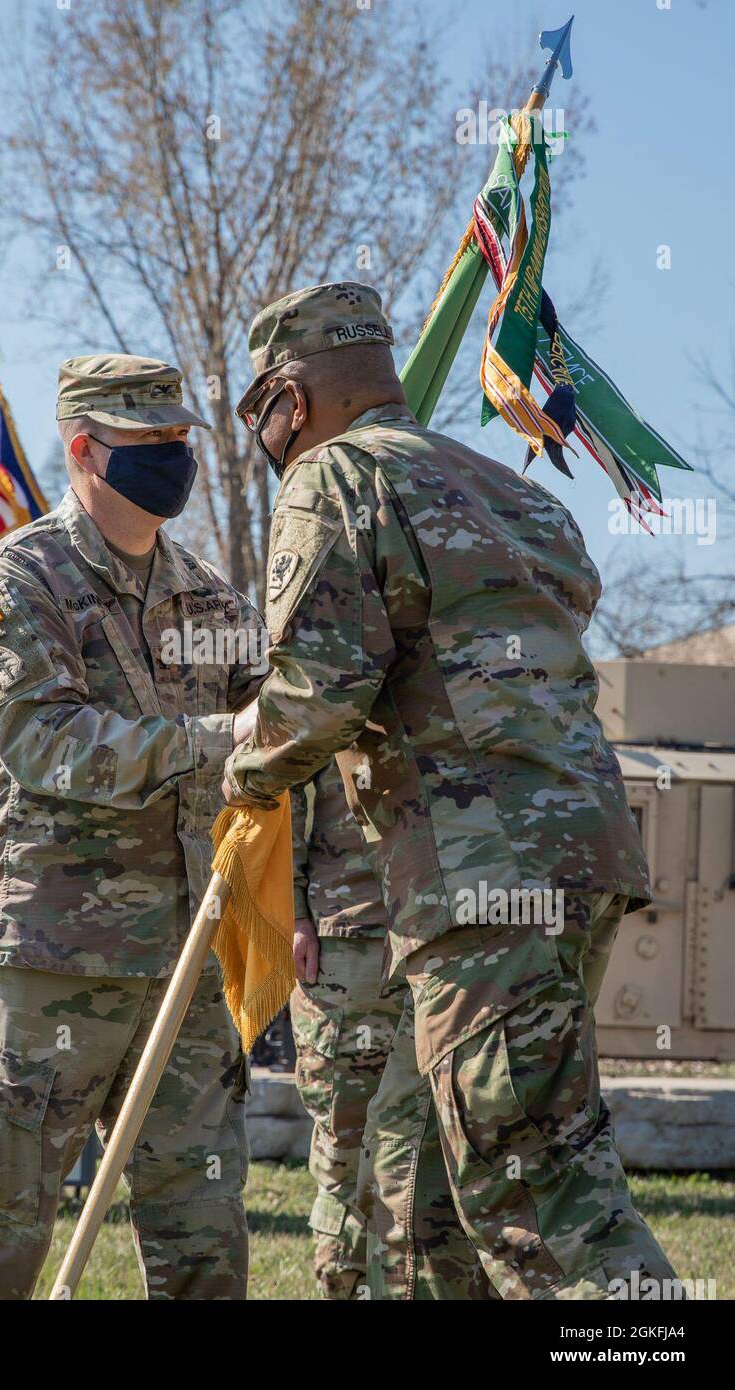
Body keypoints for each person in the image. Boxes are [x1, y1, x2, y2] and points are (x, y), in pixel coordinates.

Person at [223, 282, 678, 1300]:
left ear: (291, 398)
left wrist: (239, 759)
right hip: (577, 857)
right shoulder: (507, 488)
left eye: (263, 411)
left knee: (539, 1198)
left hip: (478, 883)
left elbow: (316, 697)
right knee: (430, 1197)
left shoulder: (332, 479)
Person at [0, 355, 265, 1300]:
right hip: (41, 965)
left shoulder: (214, 601)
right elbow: (45, 743)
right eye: (149, 443)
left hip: (185, 966)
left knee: (205, 1237)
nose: (172, 459)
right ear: (83, 449)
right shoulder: (15, 585)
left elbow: (283, 732)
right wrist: (222, 737)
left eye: (179, 441)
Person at [290, 762, 400, 1299]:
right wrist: (292, 911)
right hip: (352, 936)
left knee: (450, 1141)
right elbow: (277, 774)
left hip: (457, 936)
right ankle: (348, 1288)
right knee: (349, 1145)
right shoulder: (332, 673)